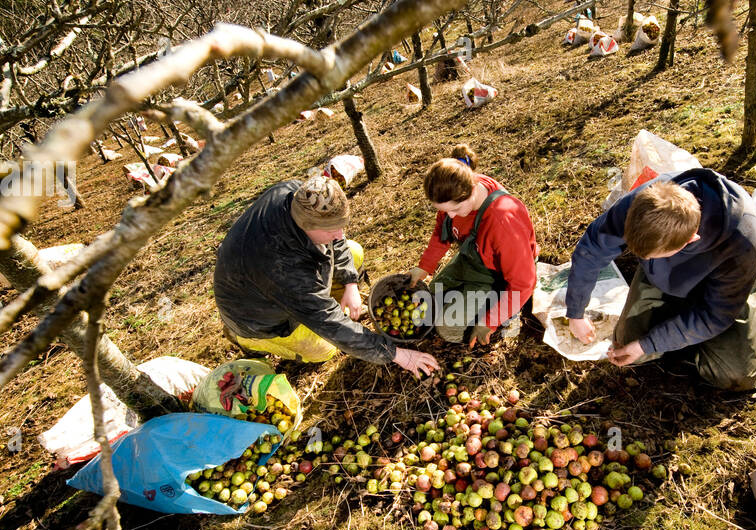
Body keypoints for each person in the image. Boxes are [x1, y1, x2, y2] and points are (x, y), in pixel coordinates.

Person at [214, 176, 439, 377]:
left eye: (340, 226)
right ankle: (247, 340)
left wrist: (351, 282)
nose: (339, 234)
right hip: (256, 315)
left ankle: (332, 288)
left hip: (278, 279)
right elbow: (328, 322)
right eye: (332, 230)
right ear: (307, 225)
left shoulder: (300, 195)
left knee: (353, 252)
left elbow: (336, 239)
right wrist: (396, 354)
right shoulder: (283, 267)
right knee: (325, 350)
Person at [564, 168, 756, 391]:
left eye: (651, 255)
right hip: (664, 278)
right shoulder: (646, 203)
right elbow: (592, 248)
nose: (643, 258)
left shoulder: (742, 240)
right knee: (625, 345)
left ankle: (687, 338)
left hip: (722, 291)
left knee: (736, 376)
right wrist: (576, 310)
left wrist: (649, 343)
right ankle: (676, 332)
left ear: (690, 240)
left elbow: (715, 315)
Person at [407, 145, 538, 347]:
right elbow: (441, 232)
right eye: (444, 210)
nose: (450, 215)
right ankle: (472, 303)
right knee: (430, 298)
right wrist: (425, 266)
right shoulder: (454, 196)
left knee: (447, 328)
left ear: (473, 190)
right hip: (474, 258)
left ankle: (508, 315)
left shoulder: (502, 220)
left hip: (501, 275)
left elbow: (523, 282)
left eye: (455, 209)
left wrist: (490, 321)